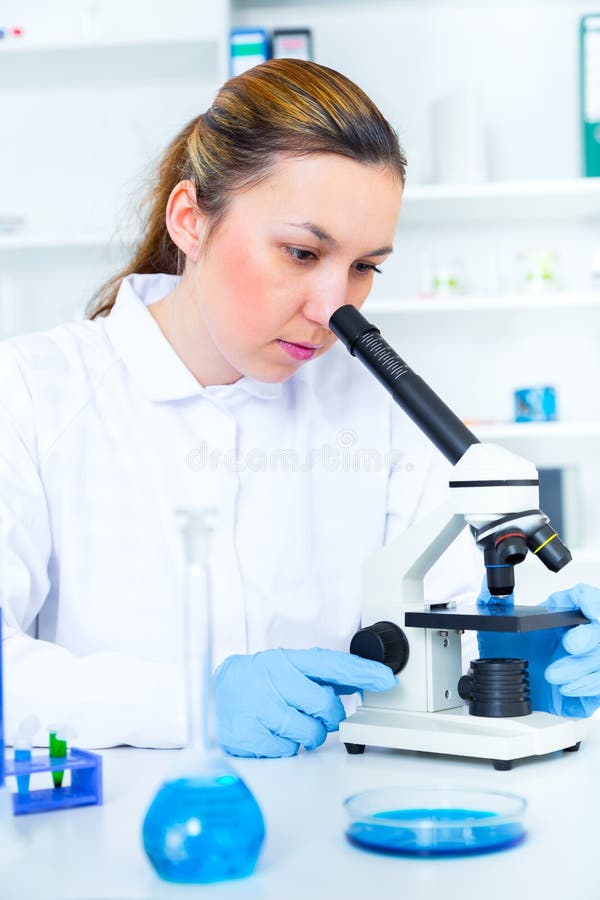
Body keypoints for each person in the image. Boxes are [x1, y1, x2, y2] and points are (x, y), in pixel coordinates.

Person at [0, 60, 598, 759]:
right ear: (191, 221)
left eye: (365, 266)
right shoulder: (34, 393)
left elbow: (450, 630)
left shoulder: (378, 408)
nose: (333, 306)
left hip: (347, 837)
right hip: (110, 844)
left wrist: (526, 661)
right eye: (301, 252)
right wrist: (192, 705)